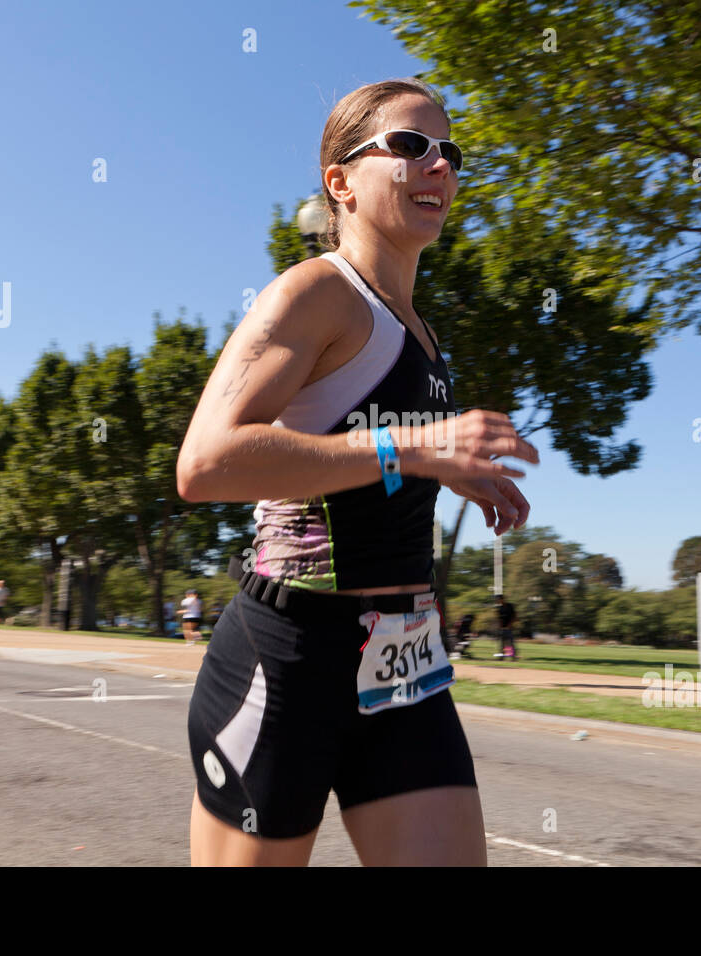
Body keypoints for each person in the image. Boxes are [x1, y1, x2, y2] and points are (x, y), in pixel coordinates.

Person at [175, 77, 538, 867]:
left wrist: (448, 471)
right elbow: (205, 462)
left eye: (450, 153)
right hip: (289, 659)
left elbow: (366, 453)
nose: (437, 166)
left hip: (405, 662)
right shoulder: (317, 293)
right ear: (339, 181)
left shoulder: (424, 334)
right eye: (410, 146)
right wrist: (409, 450)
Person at [495, 594, 518, 660]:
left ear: (502, 599)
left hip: (509, 627)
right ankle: (501, 657)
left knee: (510, 643)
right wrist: (499, 627)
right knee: (502, 643)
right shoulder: (499, 608)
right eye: (497, 600)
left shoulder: (509, 606)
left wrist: (510, 625)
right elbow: (499, 619)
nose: (497, 601)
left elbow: (514, 616)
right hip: (502, 628)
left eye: (498, 599)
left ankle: (513, 657)